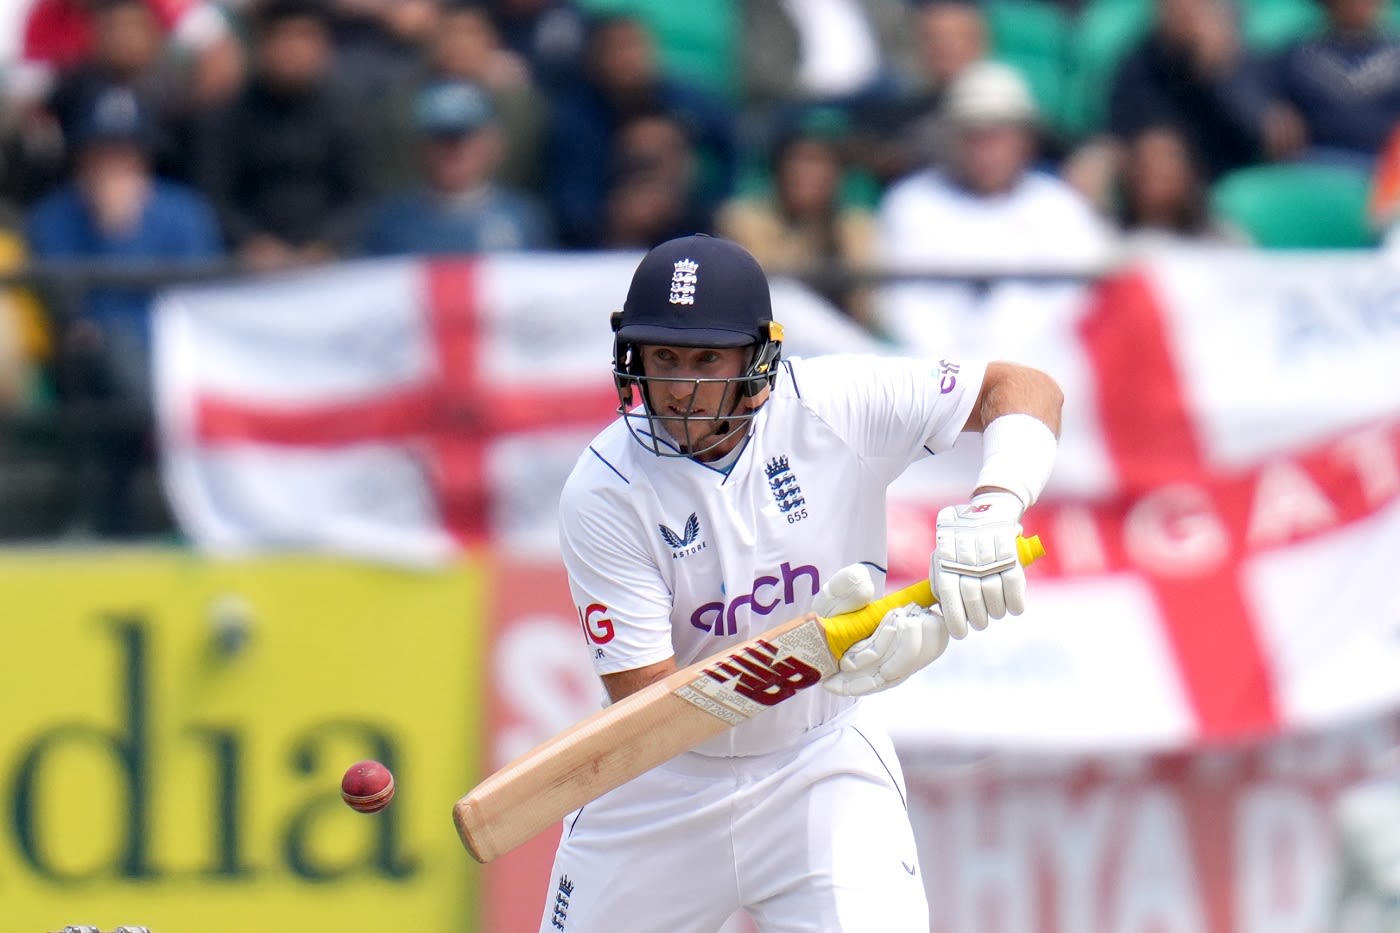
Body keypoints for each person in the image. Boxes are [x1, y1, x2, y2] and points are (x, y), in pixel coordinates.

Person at [544, 234, 1063, 931]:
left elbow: (1025, 387)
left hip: (821, 762)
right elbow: (652, 712)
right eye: (664, 357)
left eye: (706, 358)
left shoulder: (834, 404)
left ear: (757, 358)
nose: (679, 387)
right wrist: (825, 650)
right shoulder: (605, 489)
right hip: (661, 786)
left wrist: (997, 501)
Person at [358, 80, 552, 255]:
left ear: (492, 145)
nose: (453, 152)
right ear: (418, 148)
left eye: (464, 139)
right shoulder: (389, 223)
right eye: (439, 140)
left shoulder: (523, 219)